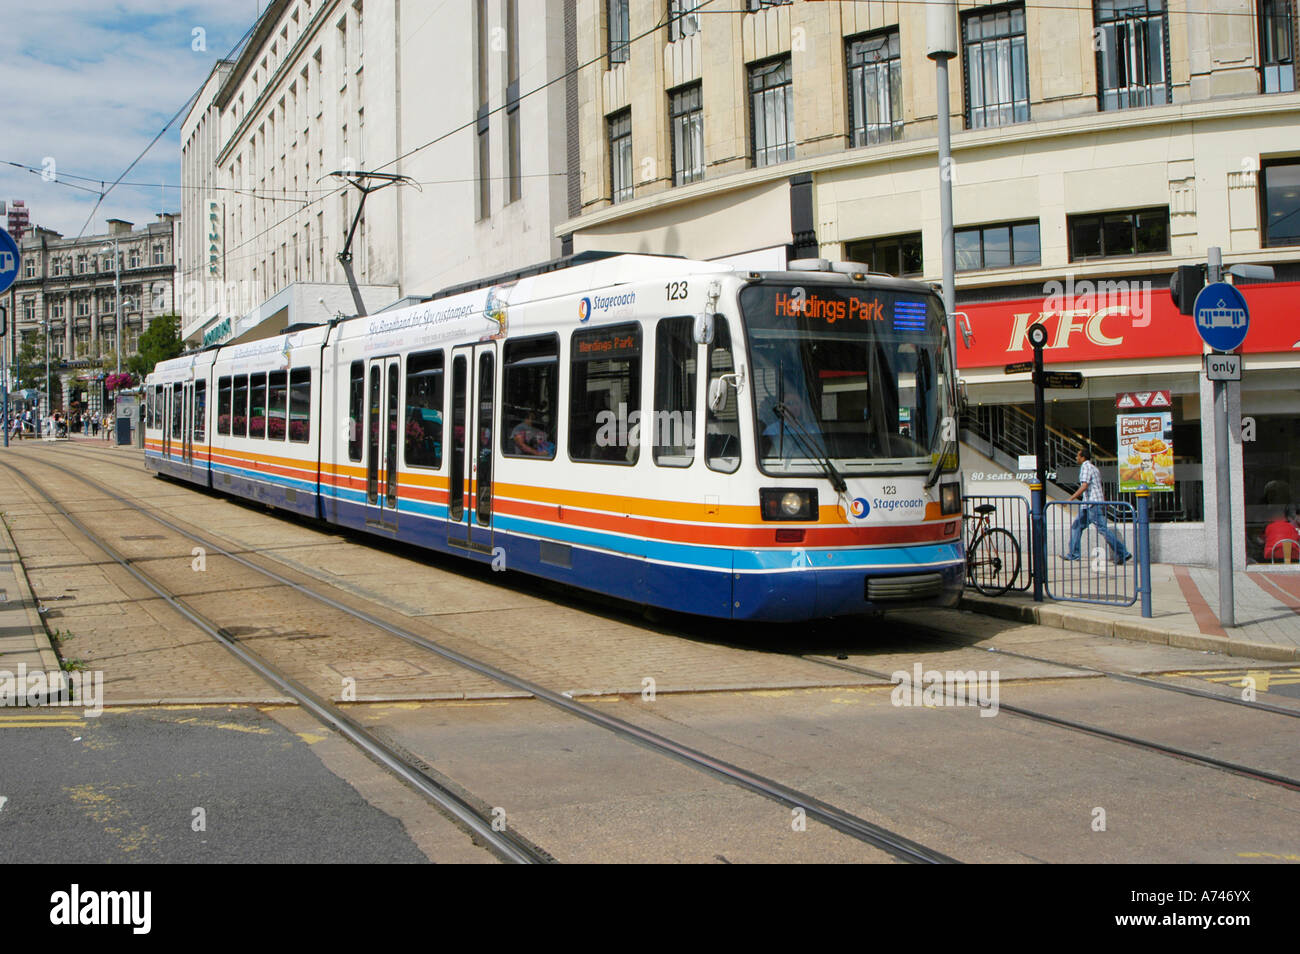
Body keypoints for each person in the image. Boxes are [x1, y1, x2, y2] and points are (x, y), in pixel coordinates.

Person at [1064, 449, 1130, 564]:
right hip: (1090, 504)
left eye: (1077, 456)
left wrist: (1070, 499)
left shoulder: (1086, 467)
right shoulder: (1094, 468)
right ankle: (1074, 554)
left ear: (1083, 457)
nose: (1076, 458)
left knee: (1102, 529)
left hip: (1092, 504)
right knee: (1076, 526)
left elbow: (1084, 485)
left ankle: (1123, 553)